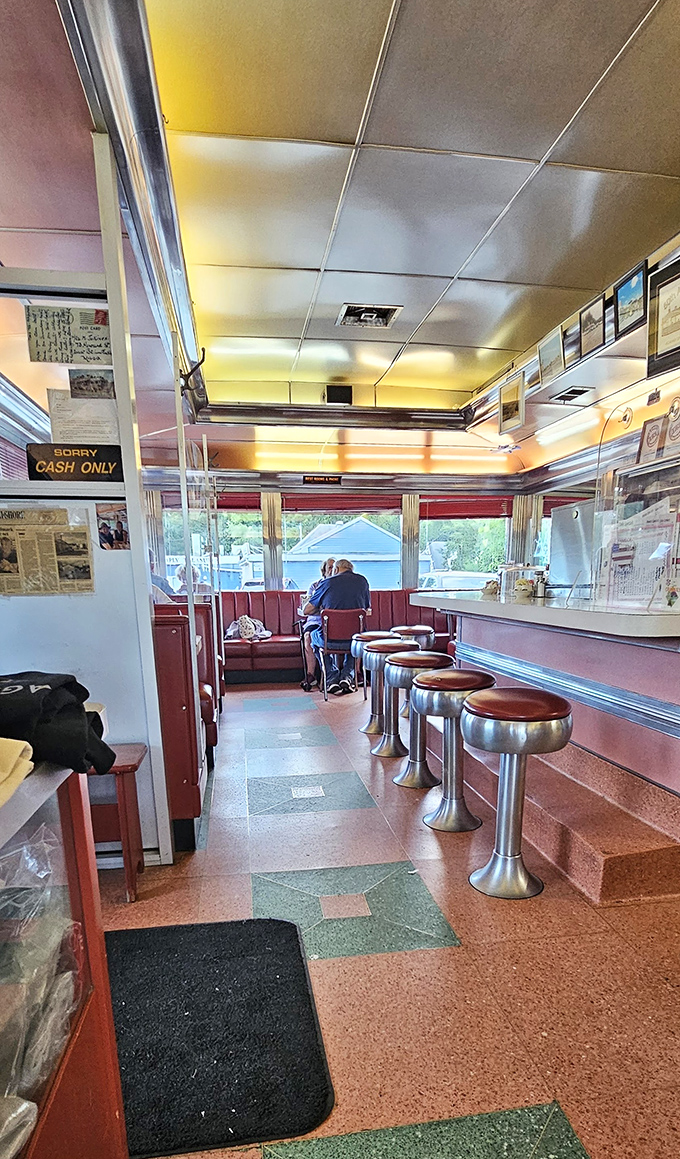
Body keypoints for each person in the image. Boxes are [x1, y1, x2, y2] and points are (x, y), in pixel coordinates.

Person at [303, 558, 370, 695]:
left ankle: (332, 677)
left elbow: (306, 610)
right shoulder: (363, 581)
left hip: (330, 640)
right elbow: (366, 607)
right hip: (354, 641)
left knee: (314, 636)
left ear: (337, 570)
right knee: (356, 636)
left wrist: (324, 609)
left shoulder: (326, 583)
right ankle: (347, 676)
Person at [298, 557, 335, 688]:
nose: (332, 570)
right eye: (330, 567)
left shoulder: (341, 587)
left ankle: (354, 673)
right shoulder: (315, 586)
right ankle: (310, 674)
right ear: (324, 571)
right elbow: (307, 608)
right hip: (316, 621)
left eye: (334, 567)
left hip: (335, 622)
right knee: (308, 637)